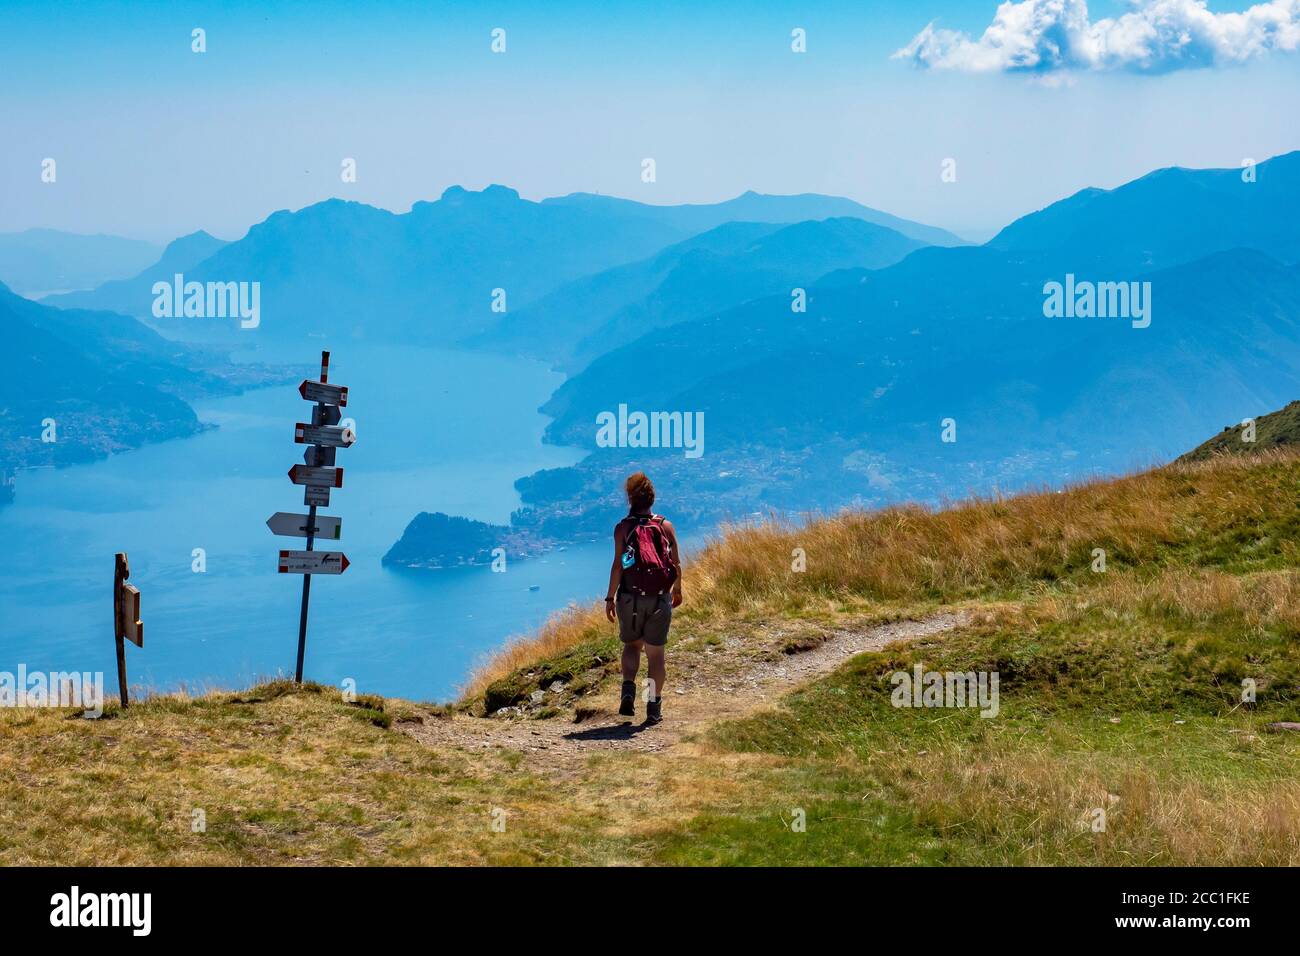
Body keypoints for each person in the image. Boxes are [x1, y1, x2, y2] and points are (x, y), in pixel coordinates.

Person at [604, 472, 682, 724]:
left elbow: (618, 565)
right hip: (659, 598)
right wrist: (677, 590)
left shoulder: (623, 528)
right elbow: (676, 563)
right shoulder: (664, 526)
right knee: (655, 655)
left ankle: (628, 688)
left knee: (632, 646)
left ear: (630, 499)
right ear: (652, 498)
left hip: (629, 598)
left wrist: (609, 598)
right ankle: (652, 706)